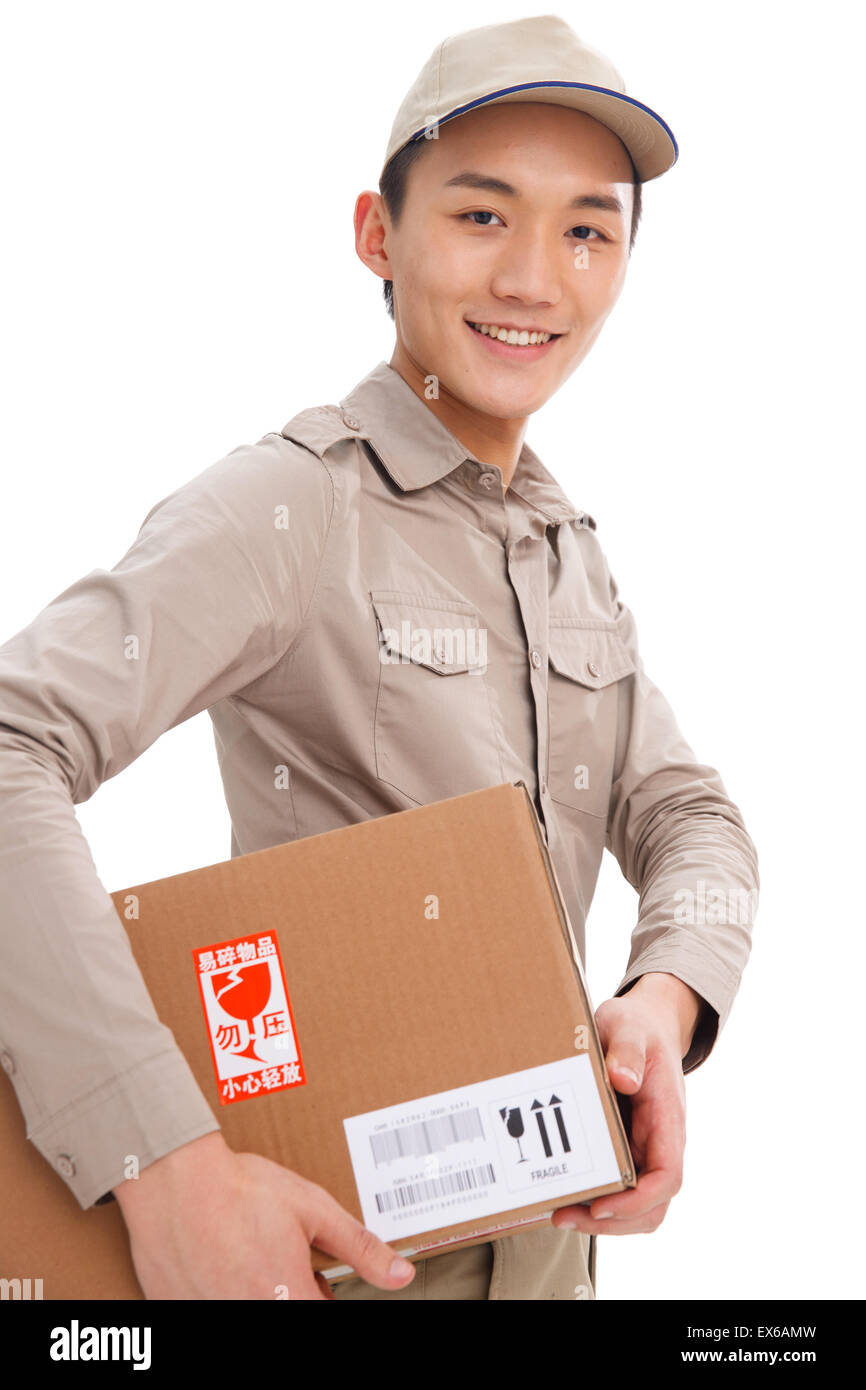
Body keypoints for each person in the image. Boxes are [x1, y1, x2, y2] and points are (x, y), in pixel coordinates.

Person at [0, 15, 759, 1301]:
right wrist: (165, 1160)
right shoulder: (290, 511)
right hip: (333, 1266)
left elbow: (689, 815)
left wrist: (664, 999)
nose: (533, 278)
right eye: (479, 216)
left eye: (586, 230)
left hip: (550, 1253)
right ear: (376, 235)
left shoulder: (565, 549)